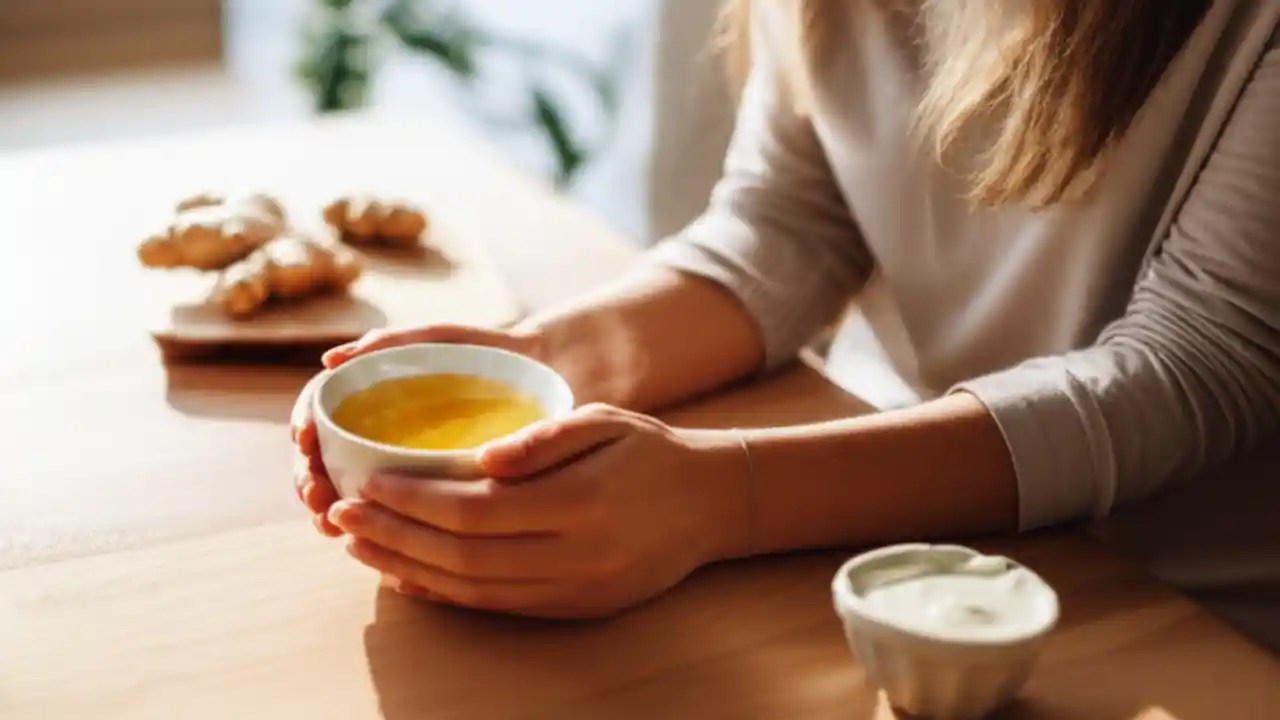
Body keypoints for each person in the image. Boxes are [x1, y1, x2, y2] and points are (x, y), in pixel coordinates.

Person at [292, 0, 1280, 647]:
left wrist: (719, 499)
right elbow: (786, 227)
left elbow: (1198, 367)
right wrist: (541, 364)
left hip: (1194, 619)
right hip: (931, 547)